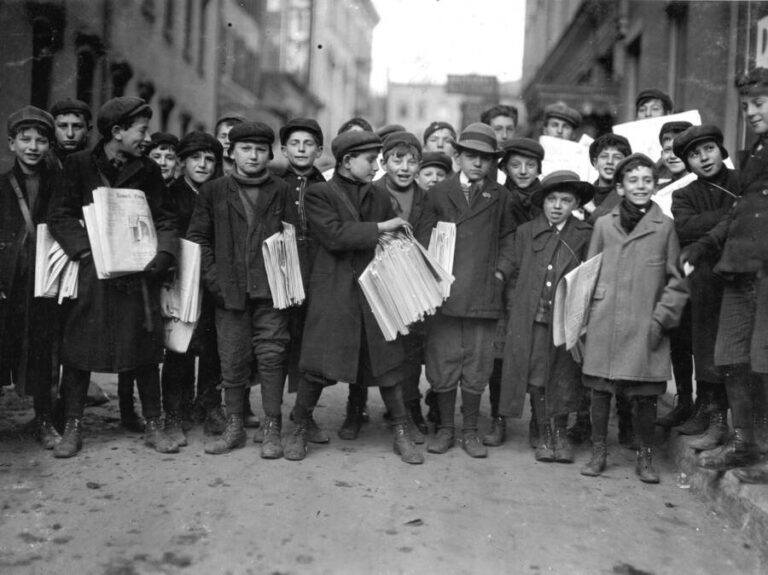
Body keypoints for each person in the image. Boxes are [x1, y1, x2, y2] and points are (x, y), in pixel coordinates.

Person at [48, 96, 180, 458]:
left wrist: (164, 254)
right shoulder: (78, 166)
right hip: (92, 273)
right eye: (141, 130)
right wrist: (86, 253)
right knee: (78, 348)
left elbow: (166, 219)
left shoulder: (149, 172)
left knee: (145, 349)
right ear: (117, 132)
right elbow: (59, 215)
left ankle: (154, 423)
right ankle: (72, 427)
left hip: (138, 275)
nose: (147, 137)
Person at [283, 130, 423, 465]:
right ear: (347, 162)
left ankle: (401, 429)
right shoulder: (320, 193)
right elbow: (333, 235)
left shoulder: (378, 195)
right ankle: (300, 426)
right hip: (334, 291)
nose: (376, 166)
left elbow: (387, 238)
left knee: (387, 361)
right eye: (370, 160)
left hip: (373, 289)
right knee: (317, 364)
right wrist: (381, 228)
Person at [680, 68, 768, 483]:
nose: (751, 112)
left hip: (764, 271)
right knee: (732, 355)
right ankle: (745, 442)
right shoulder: (755, 151)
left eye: (759, 103)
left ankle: (762, 450)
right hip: (738, 267)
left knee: (762, 360)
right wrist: (704, 245)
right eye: (747, 105)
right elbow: (736, 214)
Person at [580, 153, 688, 483]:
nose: (640, 186)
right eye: (633, 180)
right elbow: (589, 273)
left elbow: (677, 280)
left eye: (646, 180)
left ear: (655, 186)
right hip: (605, 318)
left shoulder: (664, 226)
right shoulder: (603, 224)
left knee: (645, 396)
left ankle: (645, 457)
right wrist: (583, 318)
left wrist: (661, 319)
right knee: (599, 389)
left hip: (646, 322)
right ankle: (599, 452)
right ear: (621, 187)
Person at [187, 122, 293, 458]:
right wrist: (215, 281)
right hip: (228, 293)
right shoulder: (214, 191)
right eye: (245, 149)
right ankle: (234, 427)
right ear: (231, 153)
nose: (253, 155)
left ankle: (272, 427)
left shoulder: (282, 190)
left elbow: (294, 238)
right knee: (232, 358)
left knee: (272, 356)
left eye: (261, 149)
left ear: (269, 154)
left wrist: (286, 282)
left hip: (272, 291)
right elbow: (198, 239)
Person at [416, 123, 515, 458]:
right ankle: (445, 428)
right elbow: (425, 236)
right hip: (445, 292)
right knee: (443, 362)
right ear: (456, 156)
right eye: (470, 156)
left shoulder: (500, 197)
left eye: (485, 159)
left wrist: (499, 273)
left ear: (493, 163)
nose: (478, 163)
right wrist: (432, 275)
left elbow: (509, 239)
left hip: (484, 294)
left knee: (477, 363)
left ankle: (470, 430)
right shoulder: (438, 193)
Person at [499, 171, 593, 463]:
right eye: (552, 199)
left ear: (575, 203)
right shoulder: (526, 232)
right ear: (542, 202)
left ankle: (560, 434)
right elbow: (513, 273)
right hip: (533, 318)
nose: (557, 206)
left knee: (563, 375)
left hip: (566, 320)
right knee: (537, 375)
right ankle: (543, 430)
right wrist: (517, 305)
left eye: (565, 200)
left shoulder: (584, 234)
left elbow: (590, 275)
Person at [668, 125, 740, 451]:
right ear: (688, 164)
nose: (703, 158)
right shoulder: (684, 195)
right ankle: (710, 414)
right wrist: (733, 214)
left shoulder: (743, 183)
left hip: (742, 277)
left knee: (737, 352)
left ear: (720, 149)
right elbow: (685, 227)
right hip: (707, 281)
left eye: (708, 149)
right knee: (706, 346)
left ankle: (731, 422)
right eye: (694, 155)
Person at [160, 131, 227, 446]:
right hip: (181, 277)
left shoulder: (220, 193)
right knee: (179, 345)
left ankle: (210, 403)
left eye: (210, 159)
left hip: (213, 276)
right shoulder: (170, 193)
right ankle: (175, 410)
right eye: (196, 158)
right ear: (182, 161)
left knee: (214, 345)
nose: (203, 164)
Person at [0, 106, 61, 449]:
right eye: (25, 139)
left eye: (40, 140)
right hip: (9, 282)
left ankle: (44, 420)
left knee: (43, 349)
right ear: (12, 143)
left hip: (44, 279)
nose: (33, 147)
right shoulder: (1, 186)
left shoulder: (58, 186)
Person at [273, 117, 329, 444]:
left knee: (312, 345)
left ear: (319, 150)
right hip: (282, 265)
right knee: (280, 342)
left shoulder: (326, 186)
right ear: (284, 149)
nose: (302, 149)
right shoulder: (275, 183)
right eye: (295, 144)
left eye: (309, 144)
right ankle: (274, 415)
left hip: (317, 269)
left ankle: (304, 414)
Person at [487, 137, 545, 448]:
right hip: (503, 281)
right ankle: (498, 417)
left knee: (537, 351)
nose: (523, 171)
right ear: (505, 168)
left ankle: (539, 419)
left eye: (530, 165)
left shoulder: (548, 197)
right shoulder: (496, 196)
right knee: (499, 353)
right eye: (515, 165)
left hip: (537, 281)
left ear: (539, 168)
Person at [372, 130, 429, 441]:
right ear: (384, 162)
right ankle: (361, 409)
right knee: (381, 349)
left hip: (413, 282)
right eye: (398, 160)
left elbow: (432, 235)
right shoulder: (372, 193)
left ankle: (410, 409)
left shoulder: (425, 198)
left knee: (410, 352)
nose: (405, 167)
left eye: (412, 161)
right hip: (380, 279)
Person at [583, 134, 631, 223]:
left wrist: (593, 210)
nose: (610, 162)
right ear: (595, 163)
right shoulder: (585, 195)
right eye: (604, 156)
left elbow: (620, 226)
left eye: (617, 157)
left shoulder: (631, 195)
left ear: (626, 164)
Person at [49, 98, 91, 167]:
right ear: (53, 129)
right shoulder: (42, 165)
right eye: (63, 126)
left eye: (77, 126)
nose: (70, 134)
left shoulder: (96, 165)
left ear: (88, 130)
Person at [657, 121, 693, 186]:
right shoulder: (659, 191)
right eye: (667, 150)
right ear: (662, 155)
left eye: (680, 149)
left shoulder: (704, 187)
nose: (673, 156)